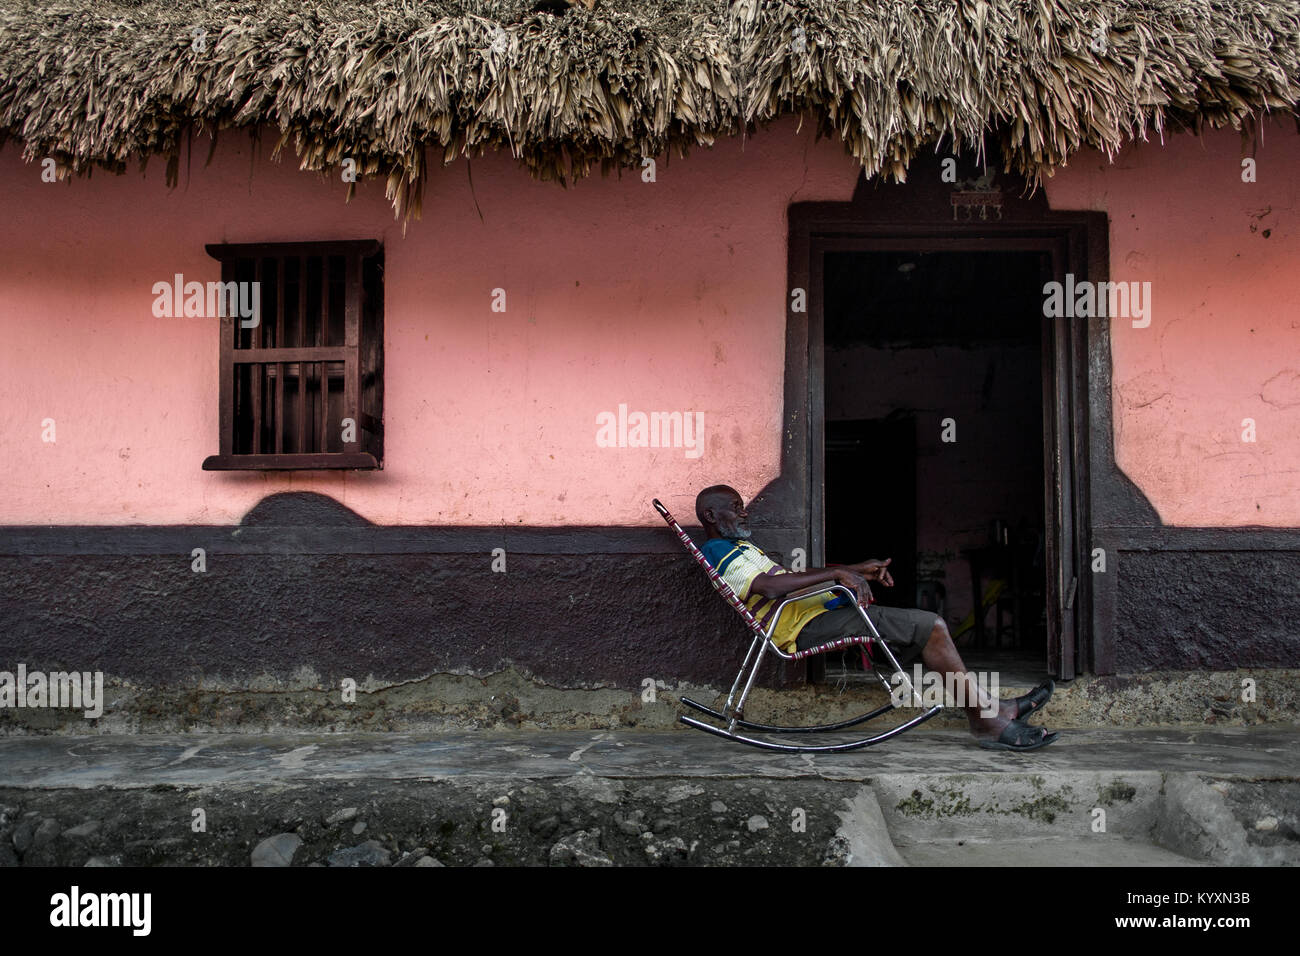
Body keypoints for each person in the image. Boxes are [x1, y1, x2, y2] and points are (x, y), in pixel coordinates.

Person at [695, 484, 1058, 751]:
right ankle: (986, 721)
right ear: (711, 516)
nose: (744, 512)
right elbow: (770, 588)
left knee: (926, 626)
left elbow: (786, 580)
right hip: (804, 626)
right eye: (735, 506)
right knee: (932, 627)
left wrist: (855, 569)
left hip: (816, 614)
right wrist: (838, 576)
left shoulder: (741, 547)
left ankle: (996, 709)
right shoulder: (719, 551)